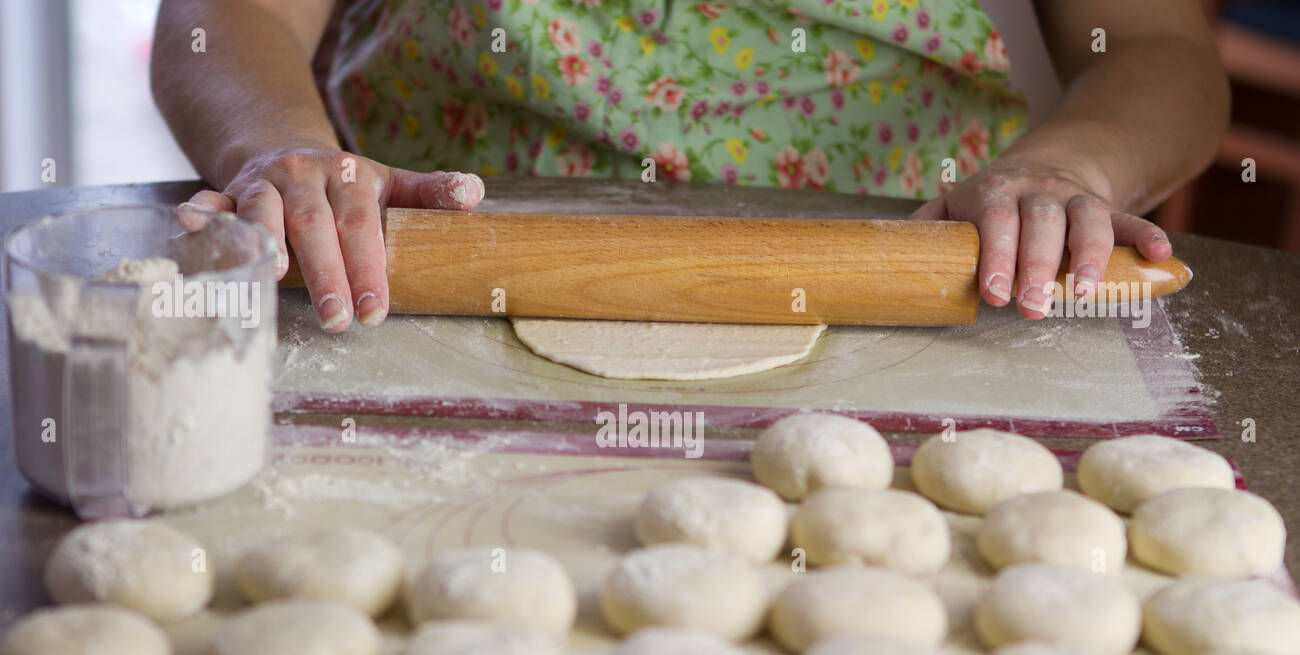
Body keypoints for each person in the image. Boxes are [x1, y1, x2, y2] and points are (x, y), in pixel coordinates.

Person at [152, 0, 1228, 331]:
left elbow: (1159, 53)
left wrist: (1064, 166)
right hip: (403, 284)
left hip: (908, 281)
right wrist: (280, 152)